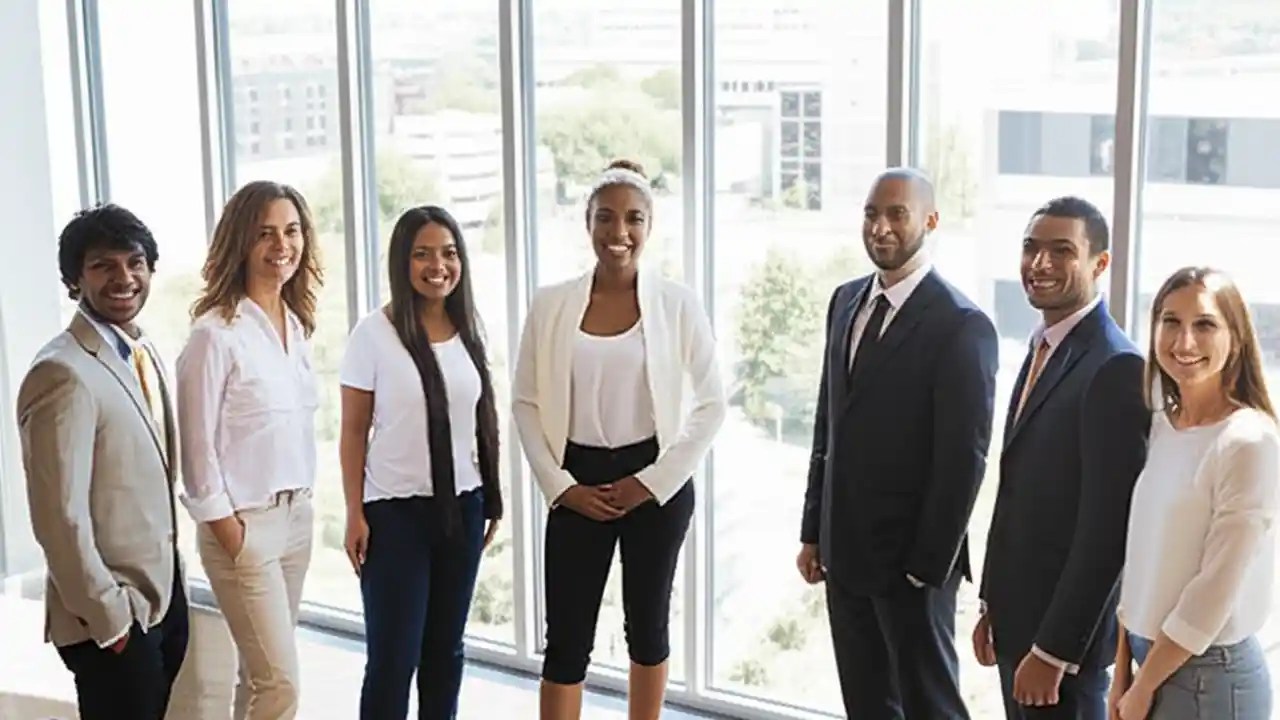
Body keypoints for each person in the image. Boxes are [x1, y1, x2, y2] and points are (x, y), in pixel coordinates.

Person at [513, 159, 726, 720]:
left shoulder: (678, 303)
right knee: (566, 639)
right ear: (587, 222)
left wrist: (651, 483)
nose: (619, 231)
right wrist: (561, 487)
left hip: (655, 481)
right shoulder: (550, 304)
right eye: (605, 217)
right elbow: (525, 402)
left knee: (648, 629)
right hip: (576, 481)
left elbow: (712, 403)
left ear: (649, 225)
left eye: (634, 218)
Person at [797, 167, 998, 719]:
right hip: (844, 554)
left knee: (930, 707)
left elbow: (964, 460)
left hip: (912, 568)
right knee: (866, 705)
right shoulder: (844, 301)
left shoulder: (962, 324)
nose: (880, 226)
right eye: (871, 213)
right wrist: (813, 531)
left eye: (896, 214)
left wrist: (925, 569)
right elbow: (828, 425)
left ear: (930, 222)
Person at [973, 197, 1149, 720]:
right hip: (1019, 622)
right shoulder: (1042, 345)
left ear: (1100, 263)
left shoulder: (1116, 366)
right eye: (1031, 248)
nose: (1040, 263)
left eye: (1062, 250)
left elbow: (1108, 531)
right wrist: (992, 603)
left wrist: (1054, 651)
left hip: (1061, 652)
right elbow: (1018, 488)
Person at [16, 204, 188, 719]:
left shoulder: (140, 350)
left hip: (160, 602)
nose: (124, 278)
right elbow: (58, 517)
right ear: (75, 280)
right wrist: (110, 620)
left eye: (135, 263)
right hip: (111, 619)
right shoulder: (61, 373)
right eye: (103, 266)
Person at [339, 205, 504, 719]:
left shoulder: (467, 326)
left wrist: (489, 500)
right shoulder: (373, 334)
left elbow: (479, 418)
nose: (439, 266)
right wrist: (354, 512)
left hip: (463, 507)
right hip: (394, 515)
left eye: (449, 253)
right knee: (393, 661)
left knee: (445, 656)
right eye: (423, 254)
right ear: (402, 262)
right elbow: (353, 431)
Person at [176, 180, 322, 720]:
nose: (282, 245)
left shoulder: (295, 325)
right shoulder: (214, 334)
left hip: (296, 520)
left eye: (291, 231)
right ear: (240, 241)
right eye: (265, 234)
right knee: (280, 686)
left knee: (257, 678)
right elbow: (196, 454)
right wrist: (233, 536)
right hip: (245, 528)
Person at [1109, 267, 1276, 720]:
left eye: (1204, 324)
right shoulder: (1164, 426)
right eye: (1171, 322)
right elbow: (1141, 558)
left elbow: (1216, 586)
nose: (1184, 342)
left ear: (1235, 339)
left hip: (1208, 678)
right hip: (1148, 661)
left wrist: (1144, 685)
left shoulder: (1247, 441)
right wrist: (1122, 671)